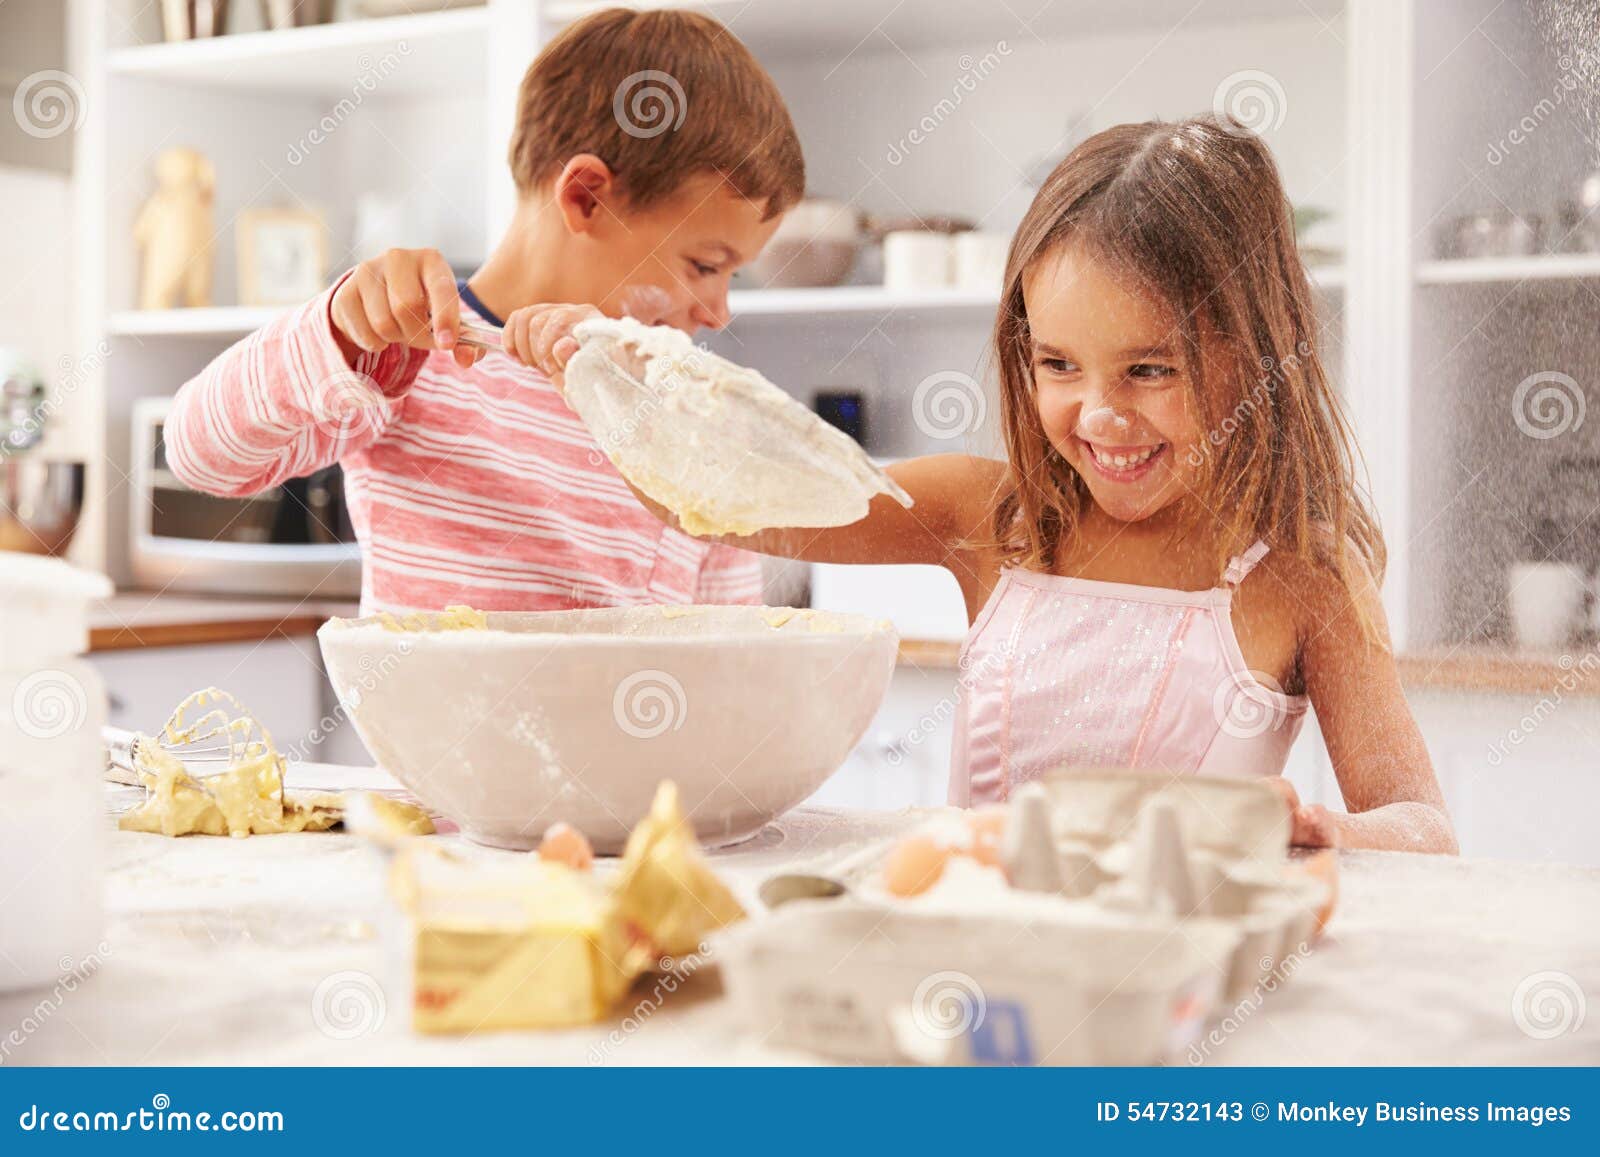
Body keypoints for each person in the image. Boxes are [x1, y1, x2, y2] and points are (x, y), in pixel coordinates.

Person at [516, 117, 1458, 853]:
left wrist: (1333, 831)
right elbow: (719, 502)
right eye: (1058, 365)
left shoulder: (1301, 572)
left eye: (1149, 371)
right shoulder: (986, 517)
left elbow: (1422, 825)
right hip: (979, 981)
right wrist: (599, 375)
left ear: (1252, 353)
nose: (1097, 416)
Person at [165, 8, 802, 614]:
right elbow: (200, 454)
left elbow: (733, 645)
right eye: (705, 266)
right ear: (586, 199)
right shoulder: (404, 356)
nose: (719, 313)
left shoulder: (686, 411)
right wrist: (337, 331)